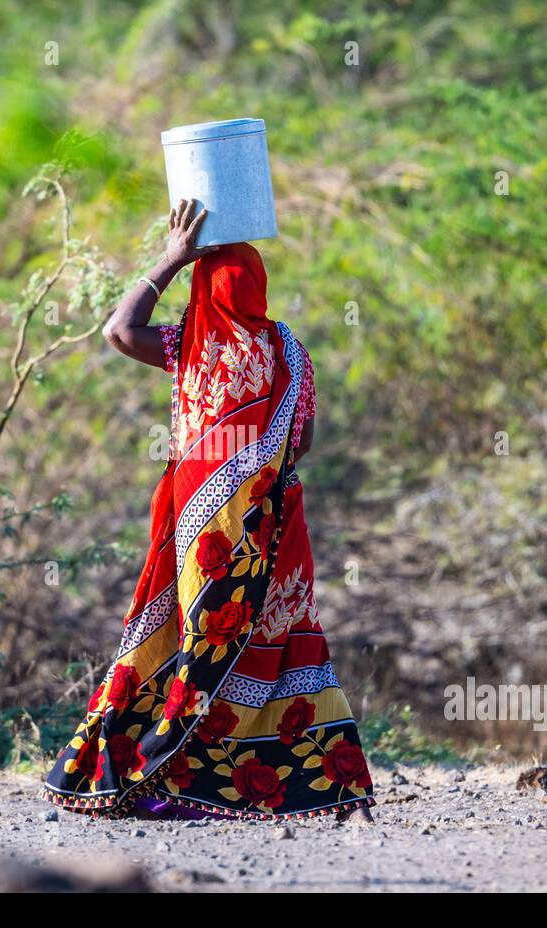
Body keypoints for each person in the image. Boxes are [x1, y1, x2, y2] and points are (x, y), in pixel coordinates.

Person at [42, 199, 374, 822]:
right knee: (276, 645)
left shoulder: (190, 347)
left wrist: (170, 260)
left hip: (201, 532)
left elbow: (117, 331)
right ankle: (308, 784)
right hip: (272, 527)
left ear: (200, 286)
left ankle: (157, 778)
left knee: (196, 645)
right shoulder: (290, 352)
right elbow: (302, 441)